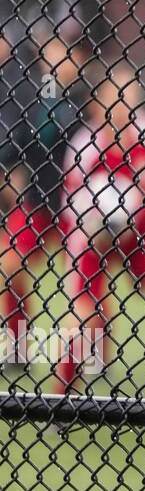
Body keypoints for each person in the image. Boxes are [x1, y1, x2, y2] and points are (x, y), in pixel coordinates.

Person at [54, 64, 145, 395]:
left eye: (130, 94)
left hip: (141, 230)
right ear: (99, 101)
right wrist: (97, 225)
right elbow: (71, 204)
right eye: (115, 94)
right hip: (93, 233)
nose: (123, 103)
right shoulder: (85, 144)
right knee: (82, 315)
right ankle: (62, 396)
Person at [0, 20, 91, 355]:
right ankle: (17, 345)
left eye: (62, 51)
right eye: (49, 51)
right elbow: (20, 141)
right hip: (39, 200)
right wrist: (14, 173)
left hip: (78, 206)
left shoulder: (88, 100)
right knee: (8, 266)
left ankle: (93, 356)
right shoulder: (33, 95)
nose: (53, 59)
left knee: (84, 288)